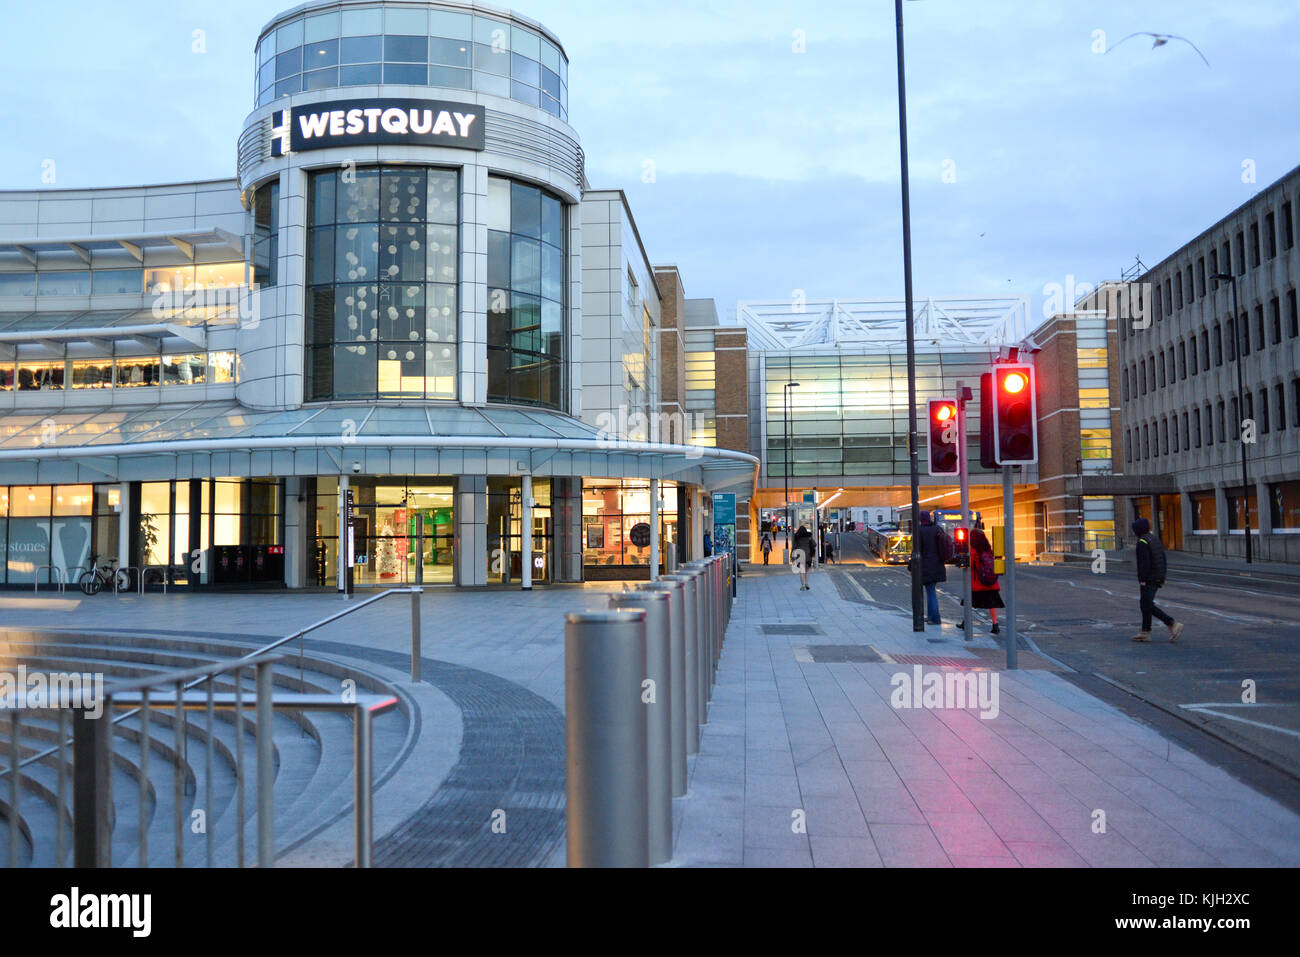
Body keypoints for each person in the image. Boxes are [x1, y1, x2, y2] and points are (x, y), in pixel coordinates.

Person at [1131, 517, 1183, 642]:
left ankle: (1171, 623)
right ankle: (1145, 631)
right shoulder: (1154, 539)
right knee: (1145, 604)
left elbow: (1144, 563)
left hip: (1150, 577)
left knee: (1147, 604)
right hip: (1158, 575)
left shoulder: (1142, 542)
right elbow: (1163, 559)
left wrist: (1142, 579)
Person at [915, 510, 952, 624]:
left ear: (921, 519)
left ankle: (935, 618)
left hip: (927, 566)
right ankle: (931, 616)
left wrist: (911, 567)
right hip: (938, 565)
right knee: (931, 591)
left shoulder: (920, 531)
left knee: (931, 592)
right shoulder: (937, 529)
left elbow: (917, 551)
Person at [968, 528, 1004, 634]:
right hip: (990, 583)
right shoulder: (988, 549)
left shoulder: (973, 550)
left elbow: (969, 563)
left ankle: (965, 623)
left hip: (978, 583)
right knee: (991, 604)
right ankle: (995, 624)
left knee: (969, 603)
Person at [792, 523, 814, 591]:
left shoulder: (797, 537)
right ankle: (807, 583)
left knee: (802, 571)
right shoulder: (809, 536)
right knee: (807, 570)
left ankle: (803, 586)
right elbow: (814, 544)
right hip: (808, 555)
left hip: (800, 555)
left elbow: (794, 547)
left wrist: (792, 556)